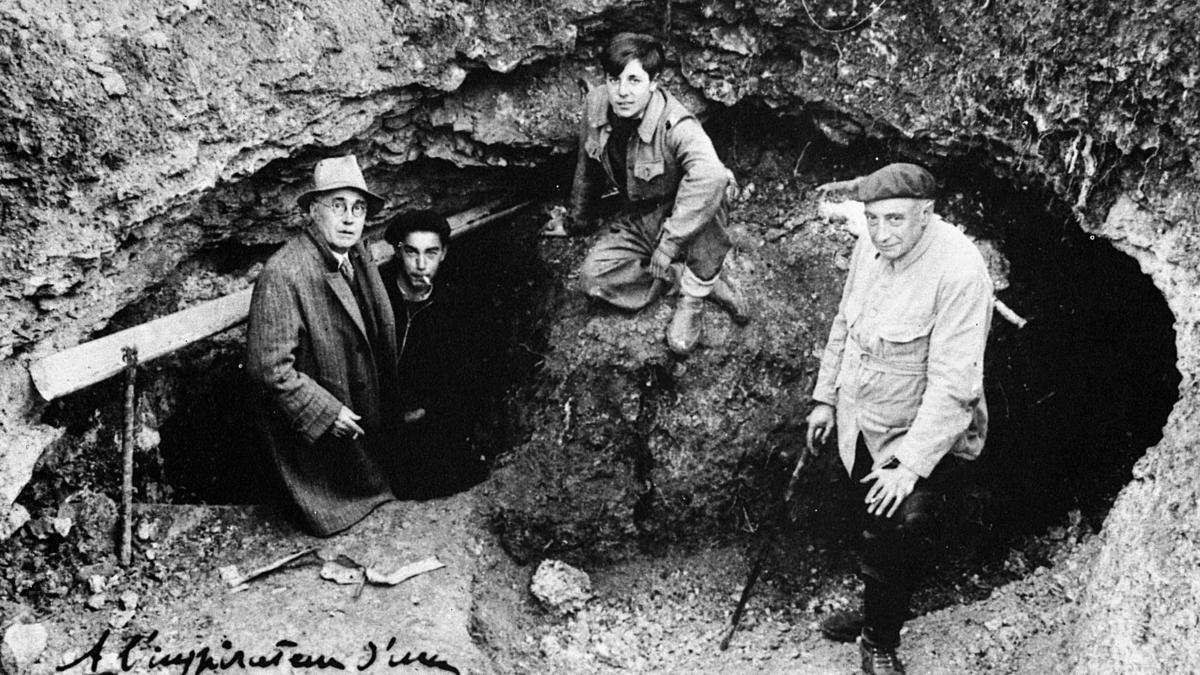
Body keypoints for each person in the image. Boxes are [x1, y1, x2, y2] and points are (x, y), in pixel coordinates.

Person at [805, 163, 993, 674]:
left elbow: (955, 387)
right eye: (872, 219)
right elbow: (845, 323)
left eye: (895, 219)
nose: (882, 233)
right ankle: (875, 609)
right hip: (861, 416)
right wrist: (825, 399)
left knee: (901, 524)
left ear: (926, 214)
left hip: (919, 432)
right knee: (861, 516)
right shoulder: (871, 248)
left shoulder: (959, 271)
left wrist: (908, 466)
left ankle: (879, 641)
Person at [543, 31, 748, 356]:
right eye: (614, 79)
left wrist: (670, 244)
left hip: (688, 216)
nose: (622, 92)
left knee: (711, 194)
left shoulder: (676, 125)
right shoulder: (597, 103)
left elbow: (711, 176)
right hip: (641, 214)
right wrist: (577, 221)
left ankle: (695, 295)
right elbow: (588, 166)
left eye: (634, 80)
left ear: (654, 82)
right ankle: (679, 278)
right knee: (593, 278)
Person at [246, 155, 398, 536]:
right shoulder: (284, 274)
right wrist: (327, 413)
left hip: (362, 427)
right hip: (316, 450)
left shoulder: (356, 255)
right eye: (337, 206)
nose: (349, 219)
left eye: (358, 208)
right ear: (313, 211)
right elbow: (269, 369)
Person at [380, 210, 486, 498]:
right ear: (397, 251)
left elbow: (465, 380)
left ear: (444, 254)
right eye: (411, 252)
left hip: (427, 422)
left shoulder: (455, 303)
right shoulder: (377, 295)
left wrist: (426, 410)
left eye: (431, 253)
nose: (420, 265)